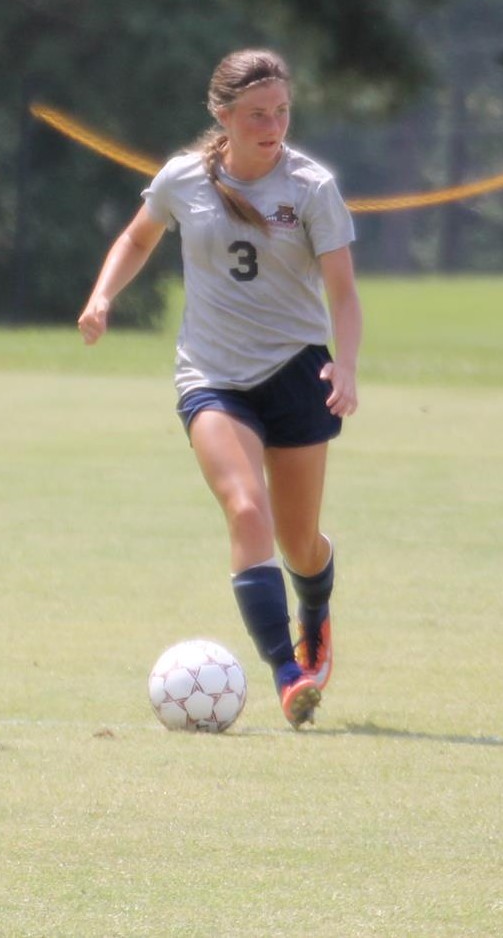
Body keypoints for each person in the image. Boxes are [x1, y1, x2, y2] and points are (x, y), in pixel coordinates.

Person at [77, 49, 361, 730]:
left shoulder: (311, 187)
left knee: (299, 546)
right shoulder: (184, 179)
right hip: (211, 375)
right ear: (224, 115)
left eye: (282, 112)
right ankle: (289, 676)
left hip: (295, 371)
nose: (273, 125)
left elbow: (343, 296)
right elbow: (137, 238)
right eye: (258, 114)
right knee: (244, 508)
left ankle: (314, 608)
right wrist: (102, 295)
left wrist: (345, 364)